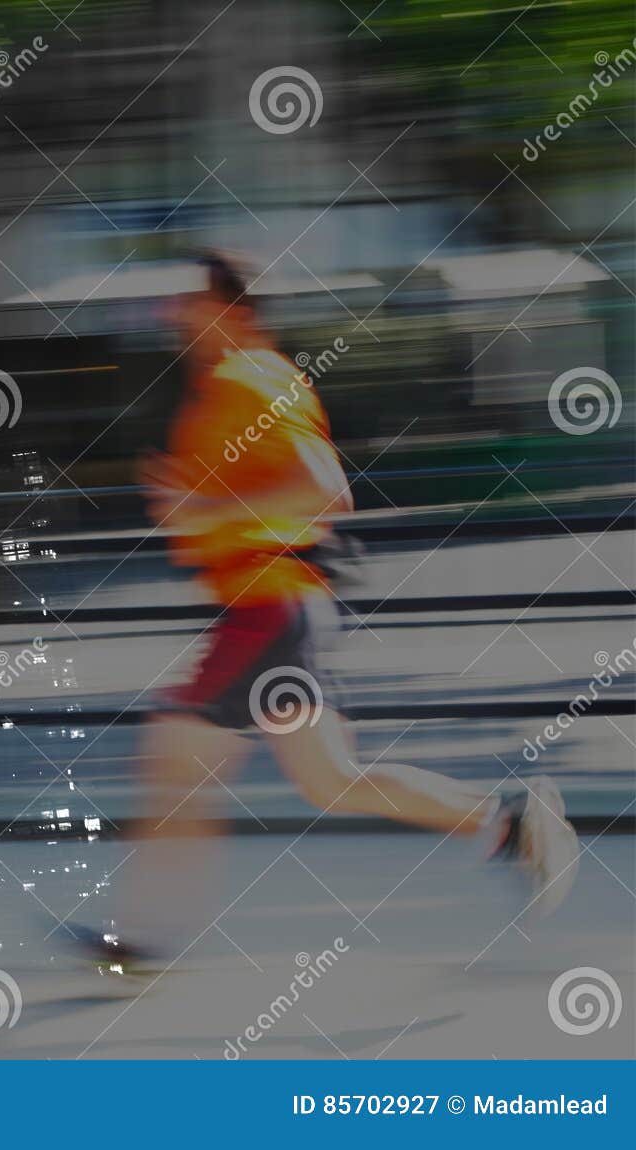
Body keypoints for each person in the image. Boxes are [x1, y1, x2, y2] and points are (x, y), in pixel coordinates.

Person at [97, 253, 579, 967]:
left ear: (234, 310)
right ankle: (509, 823)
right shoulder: (247, 382)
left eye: (190, 300)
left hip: (268, 610)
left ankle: (140, 943)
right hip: (282, 610)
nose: (176, 313)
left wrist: (201, 508)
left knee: (173, 754)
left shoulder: (248, 378)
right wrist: (194, 511)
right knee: (332, 782)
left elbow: (324, 491)